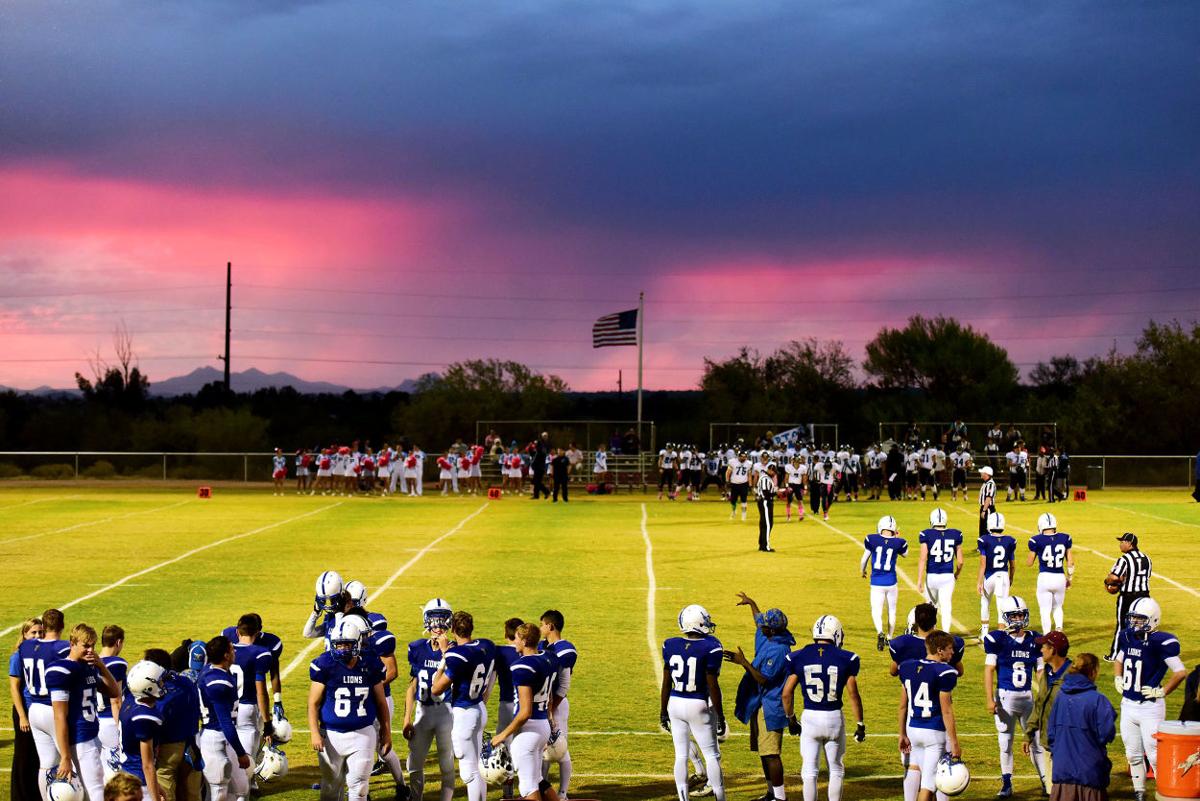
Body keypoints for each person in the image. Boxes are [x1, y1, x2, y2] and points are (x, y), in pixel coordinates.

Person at [782, 615, 865, 801]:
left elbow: (786, 693)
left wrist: (791, 719)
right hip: (834, 717)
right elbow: (853, 694)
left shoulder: (799, 656)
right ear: (835, 634)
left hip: (810, 717)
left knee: (809, 771)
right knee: (836, 769)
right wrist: (860, 723)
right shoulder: (846, 658)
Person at [309, 619, 391, 801]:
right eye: (339, 644)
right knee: (331, 785)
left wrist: (386, 732)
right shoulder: (324, 664)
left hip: (363, 733)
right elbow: (313, 703)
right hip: (331, 735)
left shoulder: (370, 664)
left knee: (359, 786)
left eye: (347, 644)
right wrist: (315, 733)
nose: (342, 649)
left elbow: (380, 702)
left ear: (358, 643)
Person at [1114, 597, 1186, 801]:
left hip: (1149, 707)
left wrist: (1162, 691)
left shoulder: (1160, 641)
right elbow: (1119, 659)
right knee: (1133, 754)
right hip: (1128, 703)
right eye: (1133, 618)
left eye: (1139, 619)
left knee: (1155, 755)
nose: (1134, 622)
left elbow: (1180, 672)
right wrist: (1117, 677)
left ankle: (1166, 791)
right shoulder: (1127, 636)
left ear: (1153, 620)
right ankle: (1139, 793)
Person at [726, 594, 794, 801]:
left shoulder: (780, 650)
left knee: (772, 753)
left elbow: (764, 680)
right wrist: (752, 604)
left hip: (771, 706)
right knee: (764, 752)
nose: (761, 625)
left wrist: (744, 662)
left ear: (772, 630)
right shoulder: (771, 637)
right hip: (759, 703)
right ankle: (771, 793)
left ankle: (780, 798)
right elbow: (758, 620)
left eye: (765, 624)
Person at [982, 597, 1049, 797]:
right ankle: (1006, 782)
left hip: (1027, 698)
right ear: (1006, 617)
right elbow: (989, 670)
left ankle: (1046, 782)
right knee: (1005, 743)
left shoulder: (1035, 640)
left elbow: (1040, 672)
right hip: (1004, 698)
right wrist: (989, 698)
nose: (1018, 619)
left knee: (1036, 743)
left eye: (1021, 614)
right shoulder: (997, 639)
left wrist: (1044, 696)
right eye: (1014, 615)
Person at [47, 624, 120, 801]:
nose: (90, 650)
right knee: (95, 791)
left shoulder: (88, 666)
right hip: (80, 740)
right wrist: (65, 756)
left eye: (93, 646)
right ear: (72, 643)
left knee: (90, 790)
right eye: (86, 645)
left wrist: (101, 665)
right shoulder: (62, 670)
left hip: (91, 734)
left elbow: (113, 692)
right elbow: (59, 716)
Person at [660, 605, 726, 801]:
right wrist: (721, 715)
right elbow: (713, 685)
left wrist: (663, 711)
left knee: (680, 755)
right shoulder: (711, 647)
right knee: (712, 755)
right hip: (698, 703)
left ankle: (683, 799)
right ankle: (720, 798)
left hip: (675, 701)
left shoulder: (669, 644)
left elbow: (666, 683)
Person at [430, 612, 495, 801]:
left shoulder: (455, 656)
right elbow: (492, 672)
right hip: (479, 708)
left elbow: (436, 688)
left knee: (469, 772)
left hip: (464, 714)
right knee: (477, 767)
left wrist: (444, 654)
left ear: (452, 629)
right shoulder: (486, 645)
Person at [491, 622, 557, 800]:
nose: (514, 643)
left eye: (518, 639)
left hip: (529, 732)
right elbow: (549, 696)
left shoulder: (522, 666)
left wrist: (502, 735)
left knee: (528, 788)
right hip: (543, 725)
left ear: (525, 641)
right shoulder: (548, 658)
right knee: (539, 781)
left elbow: (525, 711)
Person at [897, 632, 961, 801]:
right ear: (940, 650)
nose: (952, 653)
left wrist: (902, 733)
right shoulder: (945, 672)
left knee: (925, 776)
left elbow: (903, 705)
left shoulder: (907, 667)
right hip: (933, 733)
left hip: (913, 730)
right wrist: (954, 742)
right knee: (929, 785)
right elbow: (946, 710)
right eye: (949, 649)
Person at [403, 599, 456, 801]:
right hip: (422, 713)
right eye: (433, 620)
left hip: (446, 713)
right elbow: (412, 685)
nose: (437, 626)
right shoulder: (416, 648)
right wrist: (407, 717)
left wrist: (446, 651)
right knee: (414, 762)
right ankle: (416, 798)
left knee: (446, 763)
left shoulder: (456, 650)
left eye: (442, 620)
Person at [1047, 654, 1115, 801]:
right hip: (1089, 774)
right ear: (1093, 672)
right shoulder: (1098, 700)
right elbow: (1107, 734)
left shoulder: (1060, 697)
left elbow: (1051, 734)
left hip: (1062, 773)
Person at [20, 608, 71, 801]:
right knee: (69, 760)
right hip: (53, 709)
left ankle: (47, 797)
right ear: (62, 625)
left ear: (44, 625)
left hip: (33, 709)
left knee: (46, 764)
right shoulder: (62, 647)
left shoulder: (26, 647)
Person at [198, 636, 252, 801]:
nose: (234, 651)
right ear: (226, 656)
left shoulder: (211, 670)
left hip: (223, 737)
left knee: (242, 787)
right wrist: (241, 753)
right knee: (218, 790)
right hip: (215, 737)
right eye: (231, 649)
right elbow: (225, 722)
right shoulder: (218, 683)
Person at [1023, 631, 1071, 784]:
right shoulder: (1046, 673)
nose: (1041, 650)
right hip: (1048, 743)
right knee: (1053, 792)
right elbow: (1039, 704)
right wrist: (1028, 734)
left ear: (1053, 650)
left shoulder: (1073, 677)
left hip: (1067, 746)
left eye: (1044, 646)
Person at [538, 611, 577, 799]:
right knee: (544, 749)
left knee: (561, 749)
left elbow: (564, 685)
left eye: (542, 625)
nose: (540, 628)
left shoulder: (565, 649)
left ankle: (562, 794)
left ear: (550, 626)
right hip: (544, 704)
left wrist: (551, 710)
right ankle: (541, 790)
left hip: (557, 704)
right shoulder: (544, 646)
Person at [117, 660, 168, 801]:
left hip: (127, 773)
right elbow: (147, 764)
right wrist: (155, 797)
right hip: (140, 783)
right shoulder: (145, 717)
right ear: (149, 687)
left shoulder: (131, 701)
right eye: (160, 682)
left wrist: (157, 786)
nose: (163, 684)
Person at [862, 516, 908, 651]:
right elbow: (905, 554)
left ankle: (880, 632)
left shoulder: (872, 539)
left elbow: (864, 559)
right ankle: (889, 637)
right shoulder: (899, 542)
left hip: (876, 582)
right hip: (891, 582)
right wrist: (898, 538)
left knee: (876, 610)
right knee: (892, 611)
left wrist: (863, 571)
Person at [1104, 533, 1152, 662]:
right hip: (1144, 597)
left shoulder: (1124, 559)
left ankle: (1114, 655)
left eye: (1122, 542)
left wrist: (1107, 581)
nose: (1120, 544)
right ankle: (1143, 654)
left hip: (1128, 597)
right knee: (1143, 626)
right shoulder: (1147, 558)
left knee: (1122, 625)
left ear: (1130, 544)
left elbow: (1114, 577)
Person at [916, 509, 963, 634]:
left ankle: (931, 633)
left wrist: (919, 579)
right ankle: (946, 634)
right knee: (946, 606)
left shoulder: (926, 534)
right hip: (947, 576)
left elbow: (923, 558)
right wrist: (956, 574)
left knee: (930, 607)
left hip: (932, 576)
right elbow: (960, 562)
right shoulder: (955, 534)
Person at [1027, 512, 1074, 633]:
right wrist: (1070, 578)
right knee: (1057, 607)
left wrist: (1036, 551)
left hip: (1045, 577)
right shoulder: (1065, 538)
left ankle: (1047, 635)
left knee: (1045, 609)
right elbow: (1070, 561)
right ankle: (1058, 630)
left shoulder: (1036, 540)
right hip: (1060, 577)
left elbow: (1029, 562)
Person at [977, 512, 1017, 639]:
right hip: (1003, 575)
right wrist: (1011, 577)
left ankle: (984, 633)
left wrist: (979, 581)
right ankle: (1001, 634)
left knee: (985, 602)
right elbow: (1013, 564)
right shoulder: (1010, 541)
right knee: (1002, 605)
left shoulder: (984, 540)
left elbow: (983, 564)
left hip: (989, 575)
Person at [96, 626, 128, 775]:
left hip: (95, 720)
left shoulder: (91, 661)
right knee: (114, 771)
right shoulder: (116, 663)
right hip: (111, 721)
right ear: (118, 642)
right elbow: (116, 700)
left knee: (99, 769)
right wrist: (121, 726)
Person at [755, 463, 778, 552]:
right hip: (765, 502)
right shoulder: (765, 478)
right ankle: (766, 546)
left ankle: (762, 544)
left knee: (764, 523)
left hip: (765, 501)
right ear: (770, 470)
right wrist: (777, 493)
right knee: (768, 524)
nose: (774, 474)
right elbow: (766, 493)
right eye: (774, 472)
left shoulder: (766, 478)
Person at [727, 450, 752, 521]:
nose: (743, 458)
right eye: (742, 457)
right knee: (733, 500)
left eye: (744, 457)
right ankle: (734, 511)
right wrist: (727, 480)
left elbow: (749, 475)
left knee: (744, 500)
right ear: (738, 456)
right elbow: (728, 472)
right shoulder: (732, 462)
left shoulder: (749, 463)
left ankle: (744, 514)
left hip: (744, 483)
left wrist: (750, 484)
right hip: (734, 483)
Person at [977, 465, 997, 540]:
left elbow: (988, 498)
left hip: (988, 508)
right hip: (985, 507)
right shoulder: (986, 483)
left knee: (987, 527)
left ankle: (988, 545)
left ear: (986, 474)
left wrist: (984, 510)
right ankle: (981, 544)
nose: (981, 474)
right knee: (982, 527)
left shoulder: (990, 484)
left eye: (982, 473)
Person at [531, 432, 551, 500]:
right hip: (538, 465)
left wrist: (536, 443)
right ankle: (536, 495)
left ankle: (546, 492)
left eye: (546, 436)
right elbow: (536, 448)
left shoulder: (543, 446)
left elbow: (539, 450)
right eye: (544, 436)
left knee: (536, 481)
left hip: (540, 466)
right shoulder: (542, 445)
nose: (545, 437)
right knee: (537, 481)